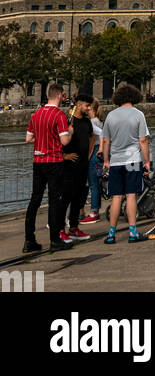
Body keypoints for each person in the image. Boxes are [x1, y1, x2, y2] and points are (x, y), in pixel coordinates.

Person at [23, 82, 73, 254]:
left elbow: (28, 139)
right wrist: (70, 132)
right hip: (54, 161)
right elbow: (65, 141)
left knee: (34, 200)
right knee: (54, 200)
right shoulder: (59, 115)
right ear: (59, 95)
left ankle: (29, 240)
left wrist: (42, 137)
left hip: (38, 161)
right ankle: (55, 239)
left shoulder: (35, 115)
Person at [101, 83, 151, 244]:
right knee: (131, 195)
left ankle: (111, 234)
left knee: (116, 196)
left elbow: (106, 141)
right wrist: (147, 161)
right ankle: (132, 232)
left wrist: (107, 160)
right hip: (132, 161)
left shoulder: (111, 116)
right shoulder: (138, 115)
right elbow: (143, 140)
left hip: (115, 161)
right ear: (134, 97)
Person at [59, 93, 96, 241]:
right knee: (65, 198)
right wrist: (63, 156)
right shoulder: (68, 120)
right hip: (68, 166)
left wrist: (89, 153)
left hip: (82, 165)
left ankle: (74, 227)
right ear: (79, 105)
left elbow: (92, 136)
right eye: (87, 106)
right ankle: (60, 229)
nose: (89, 109)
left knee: (78, 198)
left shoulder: (87, 122)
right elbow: (57, 139)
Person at [81, 95, 103, 224]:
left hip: (94, 152)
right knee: (96, 184)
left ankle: (94, 211)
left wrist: (87, 157)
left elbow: (92, 141)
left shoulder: (92, 122)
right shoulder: (99, 120)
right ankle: (95, 210)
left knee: (93, 184)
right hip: (99, 153)